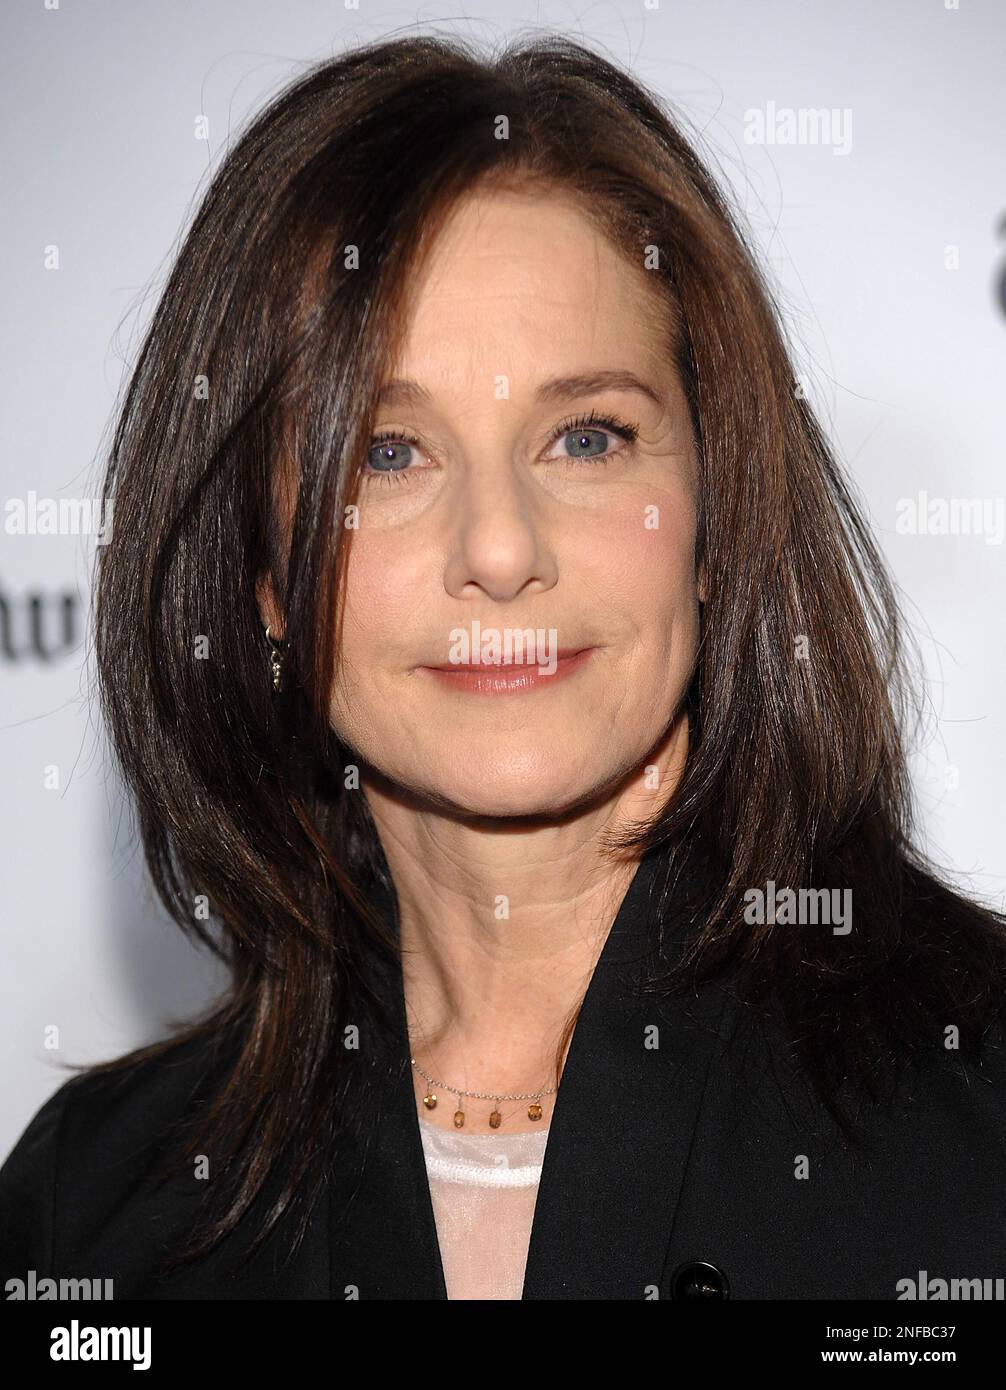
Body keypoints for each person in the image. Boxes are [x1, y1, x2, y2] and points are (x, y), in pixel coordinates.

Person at [2, 32, 1005, 1302]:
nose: (497, 548)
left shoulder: (979, 1117)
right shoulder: (91, 1219)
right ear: (257, 574)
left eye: (586, 437)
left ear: (714, 513)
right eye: (386, 454)